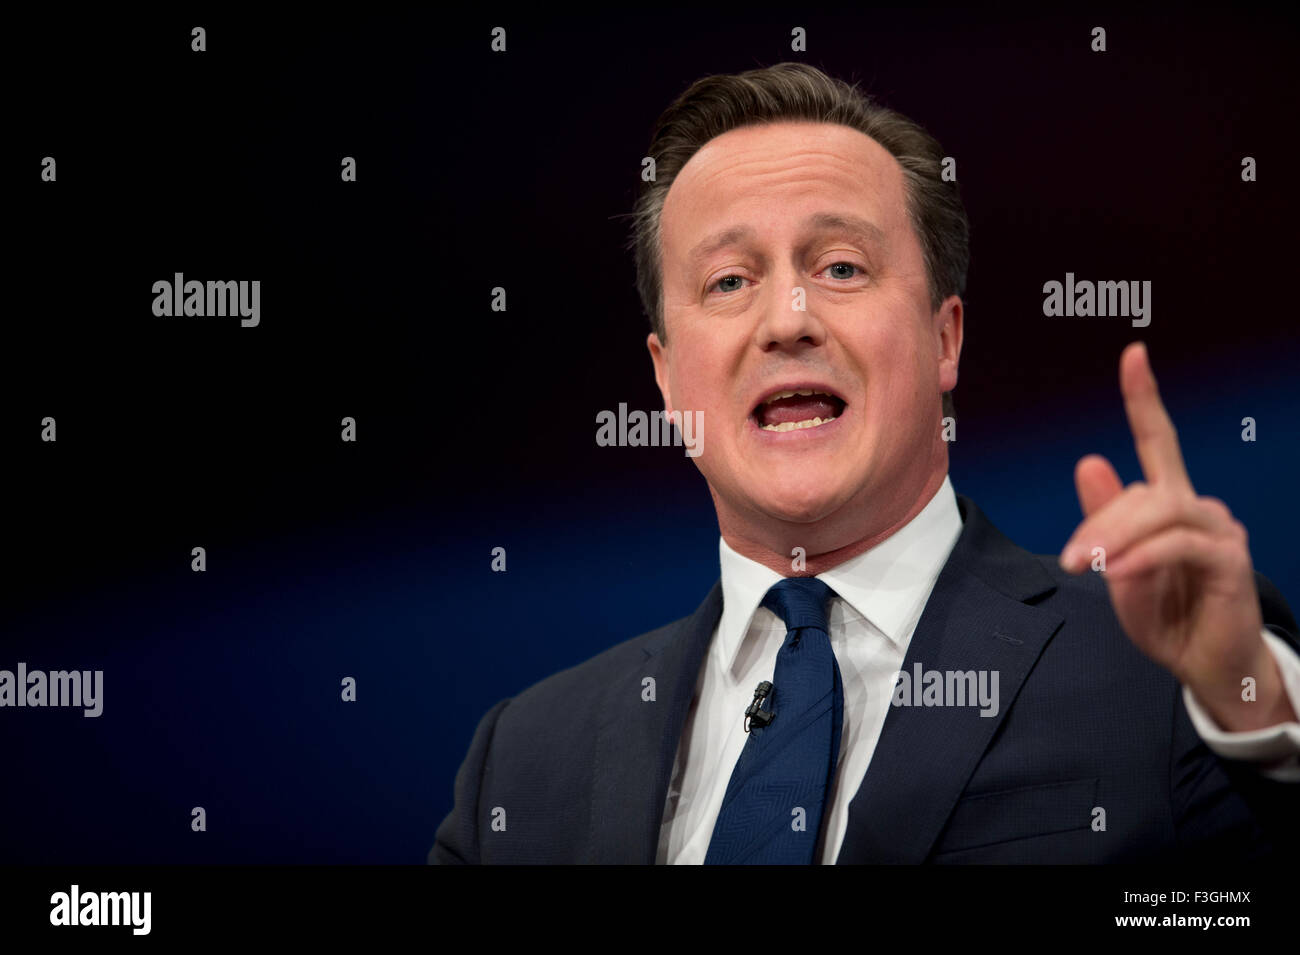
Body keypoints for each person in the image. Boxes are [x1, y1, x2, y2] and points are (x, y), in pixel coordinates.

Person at [430, 62, 1300, 864]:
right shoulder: (524, 766)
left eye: (840, 265)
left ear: (944, 335)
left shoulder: (1168, 672)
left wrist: (1248, 698)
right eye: (729, 281)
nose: (787, 319)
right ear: (664, 375)